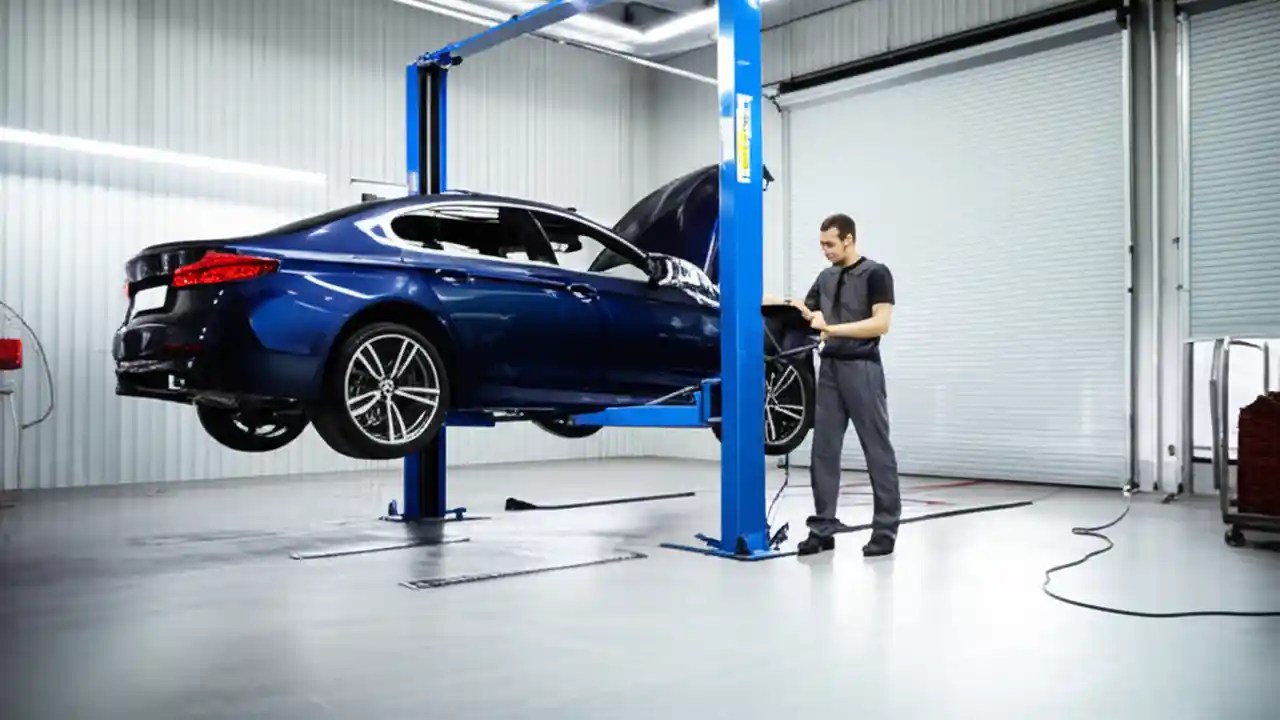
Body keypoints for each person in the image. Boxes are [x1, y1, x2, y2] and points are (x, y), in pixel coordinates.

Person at [791, 213, 901, 557]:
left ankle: (885, 530)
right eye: (821, 244)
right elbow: (807, 313)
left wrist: (832, 329)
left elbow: (881, 324)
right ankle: (822, 529)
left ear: (849, 239)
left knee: (877, 449)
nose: (825, 250)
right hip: (830, 373)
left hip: (862, 369)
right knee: (823, 451)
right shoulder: (825, 277)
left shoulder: (877, 273)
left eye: (830, 244)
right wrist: (795, 308)